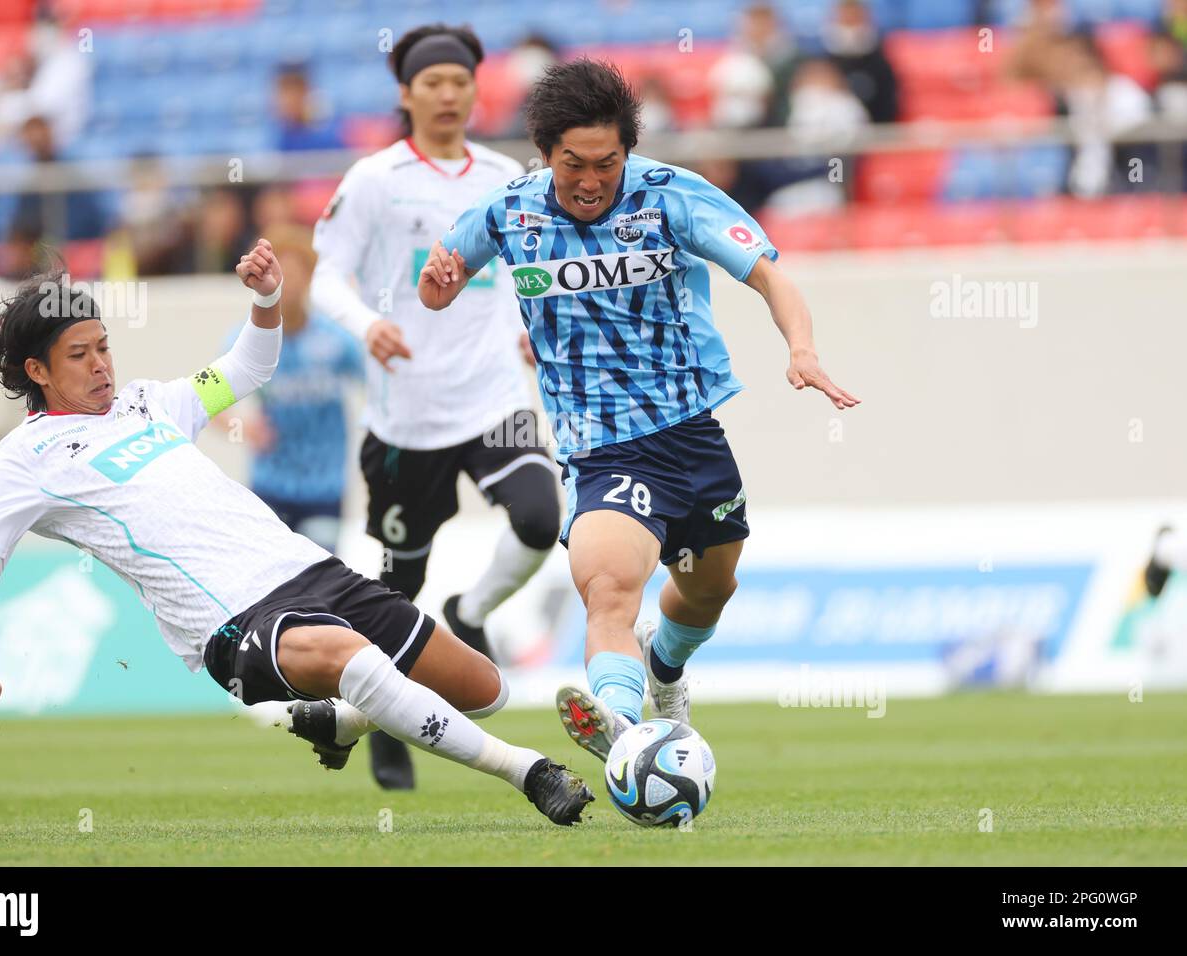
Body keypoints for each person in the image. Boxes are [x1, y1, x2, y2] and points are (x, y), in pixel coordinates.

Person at [0, 238, 593, 827]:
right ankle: (530, 772)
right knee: (352, 659)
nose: (101, 366)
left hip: (311, 571)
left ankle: (346, 722)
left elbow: (245, 369)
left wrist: (266, 299)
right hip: (232, 622)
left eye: (104, 347)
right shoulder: (26, 459)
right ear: (37, 372)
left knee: (486, 690)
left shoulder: (148, 404)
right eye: (79, 356)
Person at [419, 59, 859, 762]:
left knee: (710, 589)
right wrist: (435, 288)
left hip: (690, 433)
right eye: (573, 165)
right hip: (602, 448)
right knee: (609, 588)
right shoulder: (508, 212)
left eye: (607, 162)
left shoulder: (670, 196)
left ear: (628, 151)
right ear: (544, 155)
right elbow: (439, 282)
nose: (591, 181)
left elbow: (769, 275)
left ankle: (665, 667)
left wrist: (801, 350)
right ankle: (622, 728)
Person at [309, 24, 562, 790]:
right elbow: (324, 278)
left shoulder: (503, 176)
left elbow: (529, 272)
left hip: (490, 400)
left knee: (540, 515)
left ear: (476, 89)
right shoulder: (376, 179)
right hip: (405, 421)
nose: (449, 94)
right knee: (396, 594)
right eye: (433, 82)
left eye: (460, 81)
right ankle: (379, 719)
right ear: (406, 95)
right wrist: (368, 325)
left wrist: (529, 329)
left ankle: (473, 608)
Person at [214, 225, 363, 554]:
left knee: (320, 577)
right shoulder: (247, 338)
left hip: (325, 486)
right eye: (283, 273)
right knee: (271, 577)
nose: (290, 284)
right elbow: (211, 401)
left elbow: (377, 386)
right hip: (270, 485)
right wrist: (244, 426)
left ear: (311, 278)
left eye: (299, 273)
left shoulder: (336, 340)